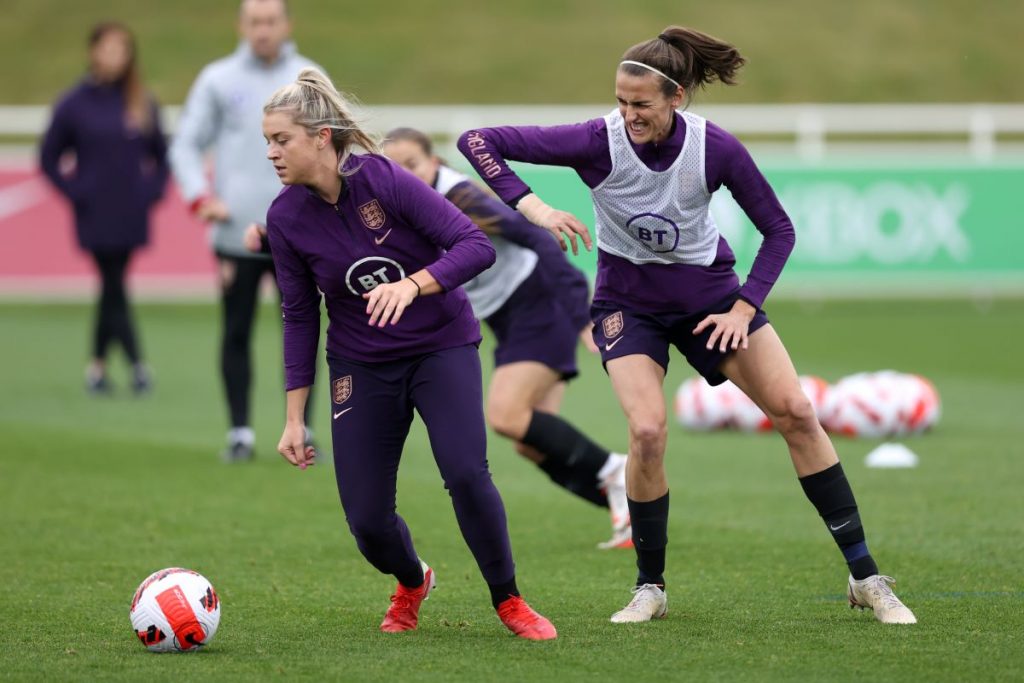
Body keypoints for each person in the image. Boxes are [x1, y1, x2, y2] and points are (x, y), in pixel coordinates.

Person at [459, 26, 917, 625]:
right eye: (621, 102)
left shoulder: (716, 148)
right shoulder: (596, 140)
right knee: (647, 432)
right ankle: (651, 587)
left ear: (676, 98)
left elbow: (780, 231)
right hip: (629, 303)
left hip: (712, 300)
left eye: (641, 104)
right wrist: (534, 205)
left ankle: (865, 576)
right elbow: (476, 140)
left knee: (797, 413)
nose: (627, 116)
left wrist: (745, 307)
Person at [261, 68, 556, 639]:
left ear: (321, 136)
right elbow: (298, 316)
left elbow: (474, 247)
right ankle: (413, 580)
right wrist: (294, 418)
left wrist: (413, 284)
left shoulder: (383, 179)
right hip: (359, 365)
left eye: (281, 139)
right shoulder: (285, 218)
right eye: (267, 142)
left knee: (467, 475)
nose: (271, 153)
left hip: (439, 347)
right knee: (367, 522)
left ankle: (509, 601)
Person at [381, 127, 632, 549]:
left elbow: (538, 238)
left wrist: (580, 316)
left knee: (505, 416)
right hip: (508, 319)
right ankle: (632, 511)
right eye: (396, 169)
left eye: (413, 165)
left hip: (539, 304)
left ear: (435, 162)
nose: (406, 175)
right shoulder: (404, 203)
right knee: (530, 445)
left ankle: (616, 470)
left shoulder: (460, 197)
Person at [169, 0, 319, 461]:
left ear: (286, 24)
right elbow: (186, 144)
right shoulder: (218, 79)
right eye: (255, 22)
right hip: (237, 233)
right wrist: (200, 196)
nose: (263, 30)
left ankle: (302, 430)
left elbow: (335, 141)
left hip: (299, 233)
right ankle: (240, 432)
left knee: (303, 331)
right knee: (235, 332)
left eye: (271, 21)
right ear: (242, 26)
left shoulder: (309, 78)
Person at [40, 21, 167, 395]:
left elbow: (162, 156)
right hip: (94, 212)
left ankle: (97, 368)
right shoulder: (74, 103)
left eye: (123, 49)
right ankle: (137, 364)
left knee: (113, 286)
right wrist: (76, 191)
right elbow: (48, 157)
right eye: (109, 48)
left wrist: (151, 192)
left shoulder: (139, 101)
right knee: (113, 283)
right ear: (93, 51)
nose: (116, 56)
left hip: (131, 210)